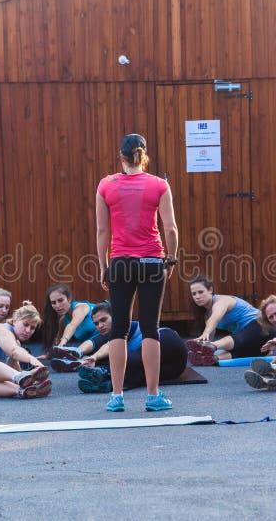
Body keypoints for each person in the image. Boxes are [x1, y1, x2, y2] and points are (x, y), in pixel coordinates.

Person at [96, 132, 178, 412]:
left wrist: (103, 265)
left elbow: (102, 231)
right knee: (149, 328)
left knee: (118, 327)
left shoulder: (106, 185)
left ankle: (116, 396)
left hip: (120, 261)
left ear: (121, 157)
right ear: (144, 157)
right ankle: (153, 396)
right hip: (152, 261)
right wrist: (172, 258)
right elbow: (170, 229)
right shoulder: (159, 185)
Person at [73, 302, 188, 393]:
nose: (100, 326)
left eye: (103, 320)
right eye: (96, 323)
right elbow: (97, 343)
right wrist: (84, 356)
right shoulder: (108, 334)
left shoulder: (126, 326)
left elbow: (110, 346)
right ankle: (108, 384)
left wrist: (95, 357)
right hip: (174, 369)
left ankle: (105, 372)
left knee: (127, 360)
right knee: (139, 375)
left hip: (169, 341)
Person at [184, 274, 275, 365]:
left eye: (200, 292)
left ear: (210, 290)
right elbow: (211, 331)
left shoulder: (221, 301)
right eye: (194, 294)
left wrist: (205, 334)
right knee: (246, 351)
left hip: (263, 327)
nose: (197, 296)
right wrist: (202, 345)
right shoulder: (206, 313)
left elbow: (215, 319)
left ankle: (213, 346)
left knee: (240, 339)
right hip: (261, 344)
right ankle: (212, 358)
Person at [41, 283, 100, 370]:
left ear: (69, 299)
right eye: (53, 303)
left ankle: (74, 360)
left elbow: (72, 325)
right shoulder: (63, 321)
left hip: (109, 339)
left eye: (60, 300)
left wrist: (64, 341)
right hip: (93, 348)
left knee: (86, 354)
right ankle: (77, 361)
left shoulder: (82, 307)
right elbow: (57, 342)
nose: (57, 305)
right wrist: (50, 354)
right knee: (87, 356)